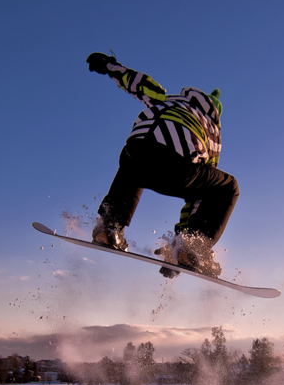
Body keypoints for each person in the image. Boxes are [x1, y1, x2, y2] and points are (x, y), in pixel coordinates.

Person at [86, 52, 239, 278]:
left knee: (134, 165)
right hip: (175, 166)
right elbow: (202, 196)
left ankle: (109, 226)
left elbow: (139, 83)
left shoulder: (167, 99)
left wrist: (110, 65)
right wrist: (180, 247)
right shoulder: (211, 128)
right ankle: (193, 248)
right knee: (227, 188)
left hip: (133, 152)